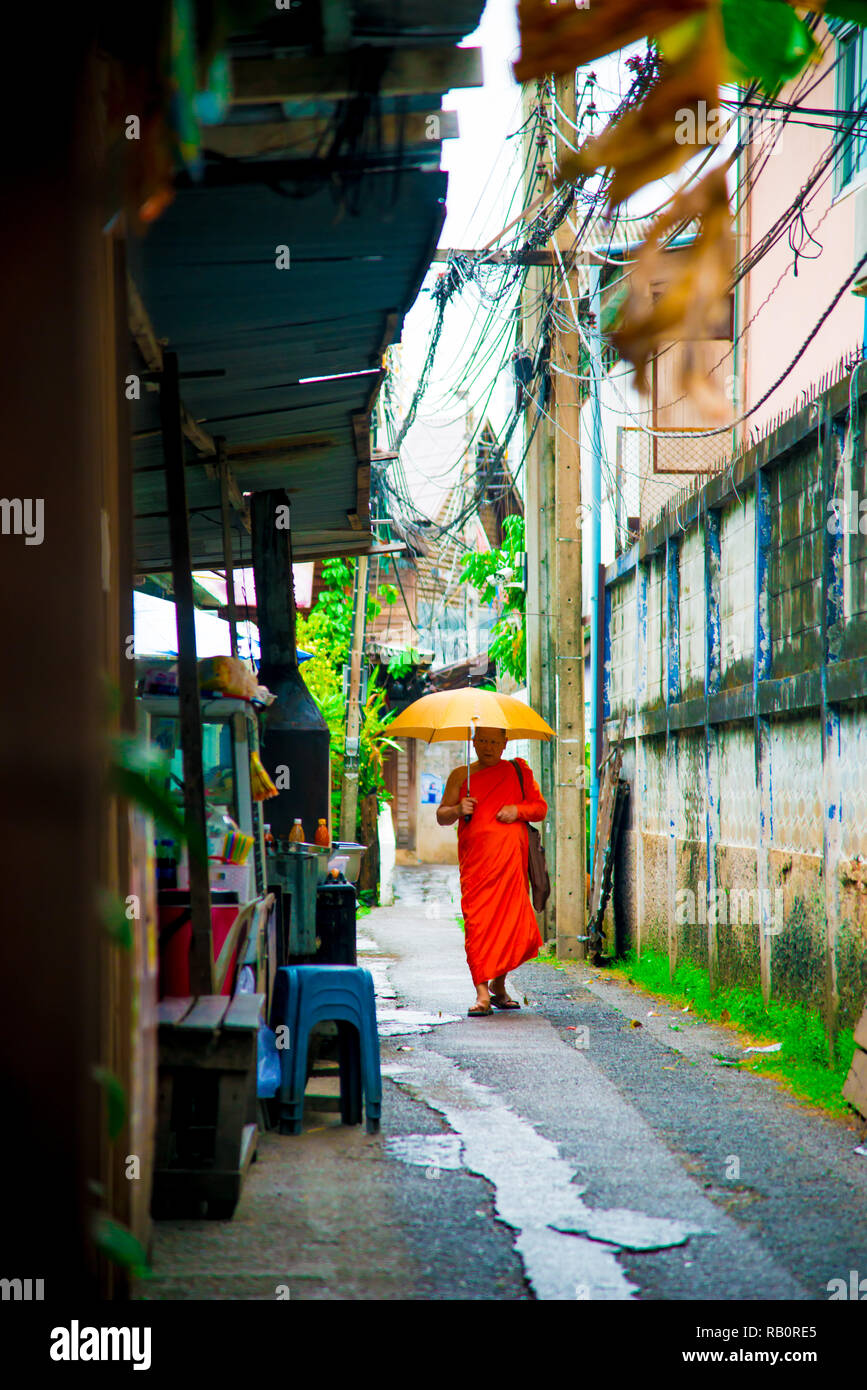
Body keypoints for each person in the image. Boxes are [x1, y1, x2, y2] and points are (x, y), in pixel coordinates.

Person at [436, 727, 547, 1016]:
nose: (487, 746)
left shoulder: (517, 771)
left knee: (511, 925)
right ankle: (482, 993)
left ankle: (499, 986)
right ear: (473, 742)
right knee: (479, 924)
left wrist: (516, 811)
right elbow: (441, 816)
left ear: (505, 743)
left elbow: (539, 808)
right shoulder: (461, 776)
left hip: (511, 865)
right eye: (482, 740)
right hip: (477, 868)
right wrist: (459, 808)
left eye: (494, 741)